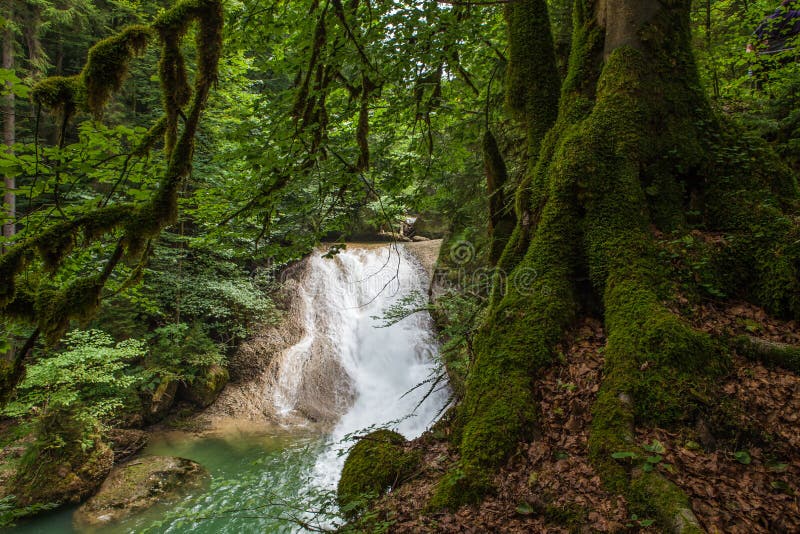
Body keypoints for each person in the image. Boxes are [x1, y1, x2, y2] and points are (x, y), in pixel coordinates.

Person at [746, 1, 800, 88]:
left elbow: (750, 44)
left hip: (767, 58)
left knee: (755, 67)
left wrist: (751, 59)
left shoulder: (767, 20)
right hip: (791, 55)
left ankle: (757, 94)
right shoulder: (797, 15)